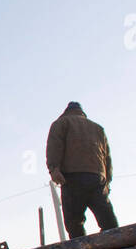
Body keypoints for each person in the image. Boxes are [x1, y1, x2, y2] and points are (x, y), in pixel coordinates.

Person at [46, 101, 119, 239]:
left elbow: (54, 147)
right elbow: (107, 157)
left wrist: (54, 169)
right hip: (97, 177)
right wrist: (107, 181)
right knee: (107, 220)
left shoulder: (61, 123)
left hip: (72, 176)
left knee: (74, 223)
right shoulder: (98, 128)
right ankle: (118, 248)